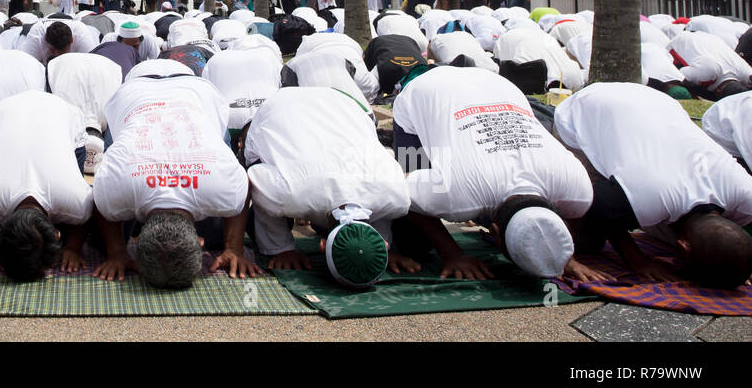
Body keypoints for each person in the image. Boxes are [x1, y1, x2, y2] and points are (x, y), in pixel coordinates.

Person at [391, 65, 597, 281]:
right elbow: (400, 190)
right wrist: (452, 254)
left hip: (499, 86)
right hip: (425, 91)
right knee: (412, 242)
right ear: (495, 233)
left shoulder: (579, 192)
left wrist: (561, 255)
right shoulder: (457, 195)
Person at [556, 83, 752, 288]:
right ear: (683, 247)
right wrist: (637, 261)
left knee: (686, 229)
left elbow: (725, 240)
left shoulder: (746, 193)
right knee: (587, 239)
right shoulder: (648, 196)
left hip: (657, 101)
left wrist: (736, 262)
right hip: (585, 108)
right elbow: (591, 207)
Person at [91, 71, 260, 288]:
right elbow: (242, 183)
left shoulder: (222, 187)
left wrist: (115, 251)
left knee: (103, 231)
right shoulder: (222, 187)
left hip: (155, 88)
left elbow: (242, 184)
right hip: (162, 89)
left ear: (199, 242)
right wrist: (232, 248)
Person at [243, 87, 414, 283]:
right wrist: (280, 248)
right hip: (281, 106)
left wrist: (374, 251)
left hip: (342, 101)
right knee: (272, 197)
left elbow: (383, 203)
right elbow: (254, 177)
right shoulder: (289, 195)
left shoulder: (396, 195)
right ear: (322, 245)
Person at [0, 94, 93, 280]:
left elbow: (88, 212)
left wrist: (73, 247)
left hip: (61, 111)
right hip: (0, 113)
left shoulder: (76, 197)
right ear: (56, 234)